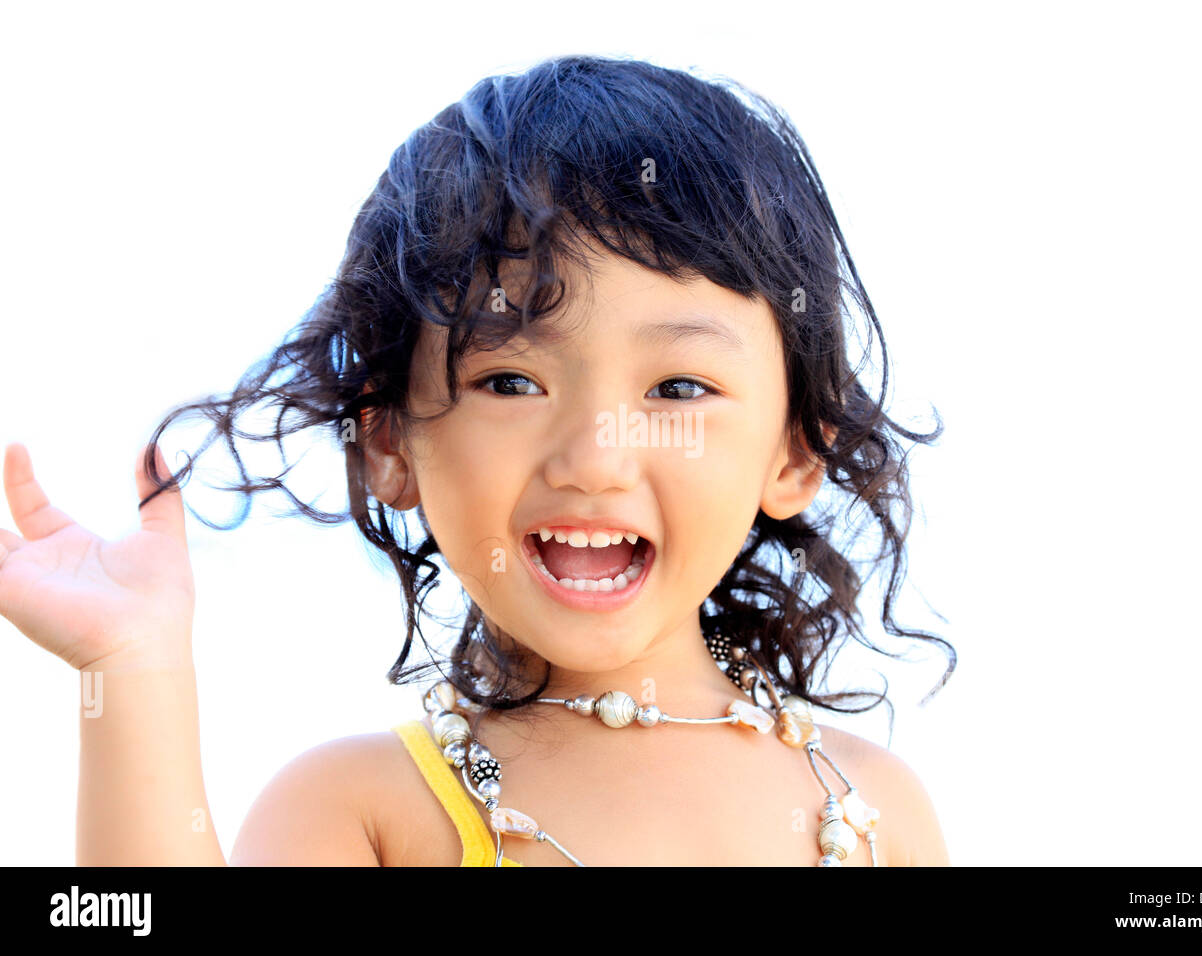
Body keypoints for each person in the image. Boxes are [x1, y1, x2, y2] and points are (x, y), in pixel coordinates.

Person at [0, 54, 955, 866]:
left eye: (676, 389)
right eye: (510, 382)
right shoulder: (369, 813)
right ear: (389, 442)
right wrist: (133, 671)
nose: (595, 459)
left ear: (793, 453)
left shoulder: (872, 810)